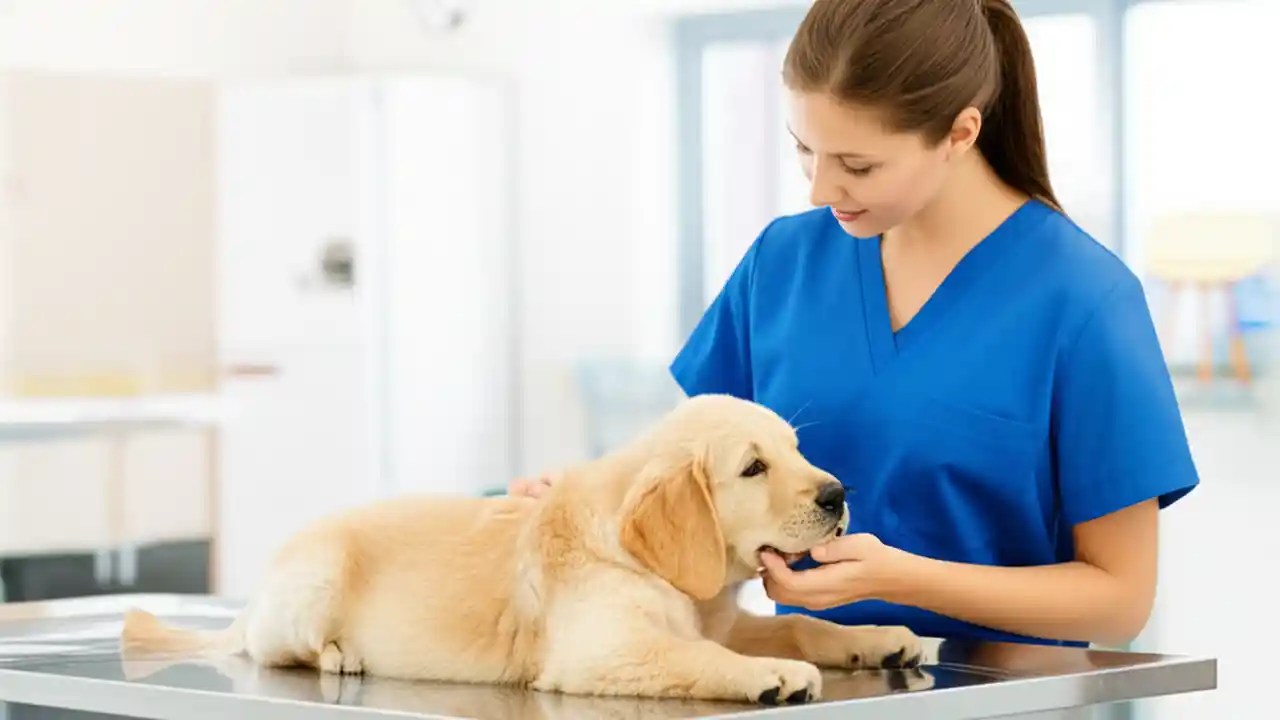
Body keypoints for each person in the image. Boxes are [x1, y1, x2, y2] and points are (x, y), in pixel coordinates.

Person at [510, 0, 1199, 648]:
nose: (819, 189)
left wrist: (903, 579)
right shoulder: (781, 264)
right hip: (813, 686)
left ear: (960, 133)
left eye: (857, 165)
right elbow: (698, 492)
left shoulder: (1084, 301)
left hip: (1006, 703)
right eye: (805, 150)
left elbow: (1119, 601)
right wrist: (593, 509)